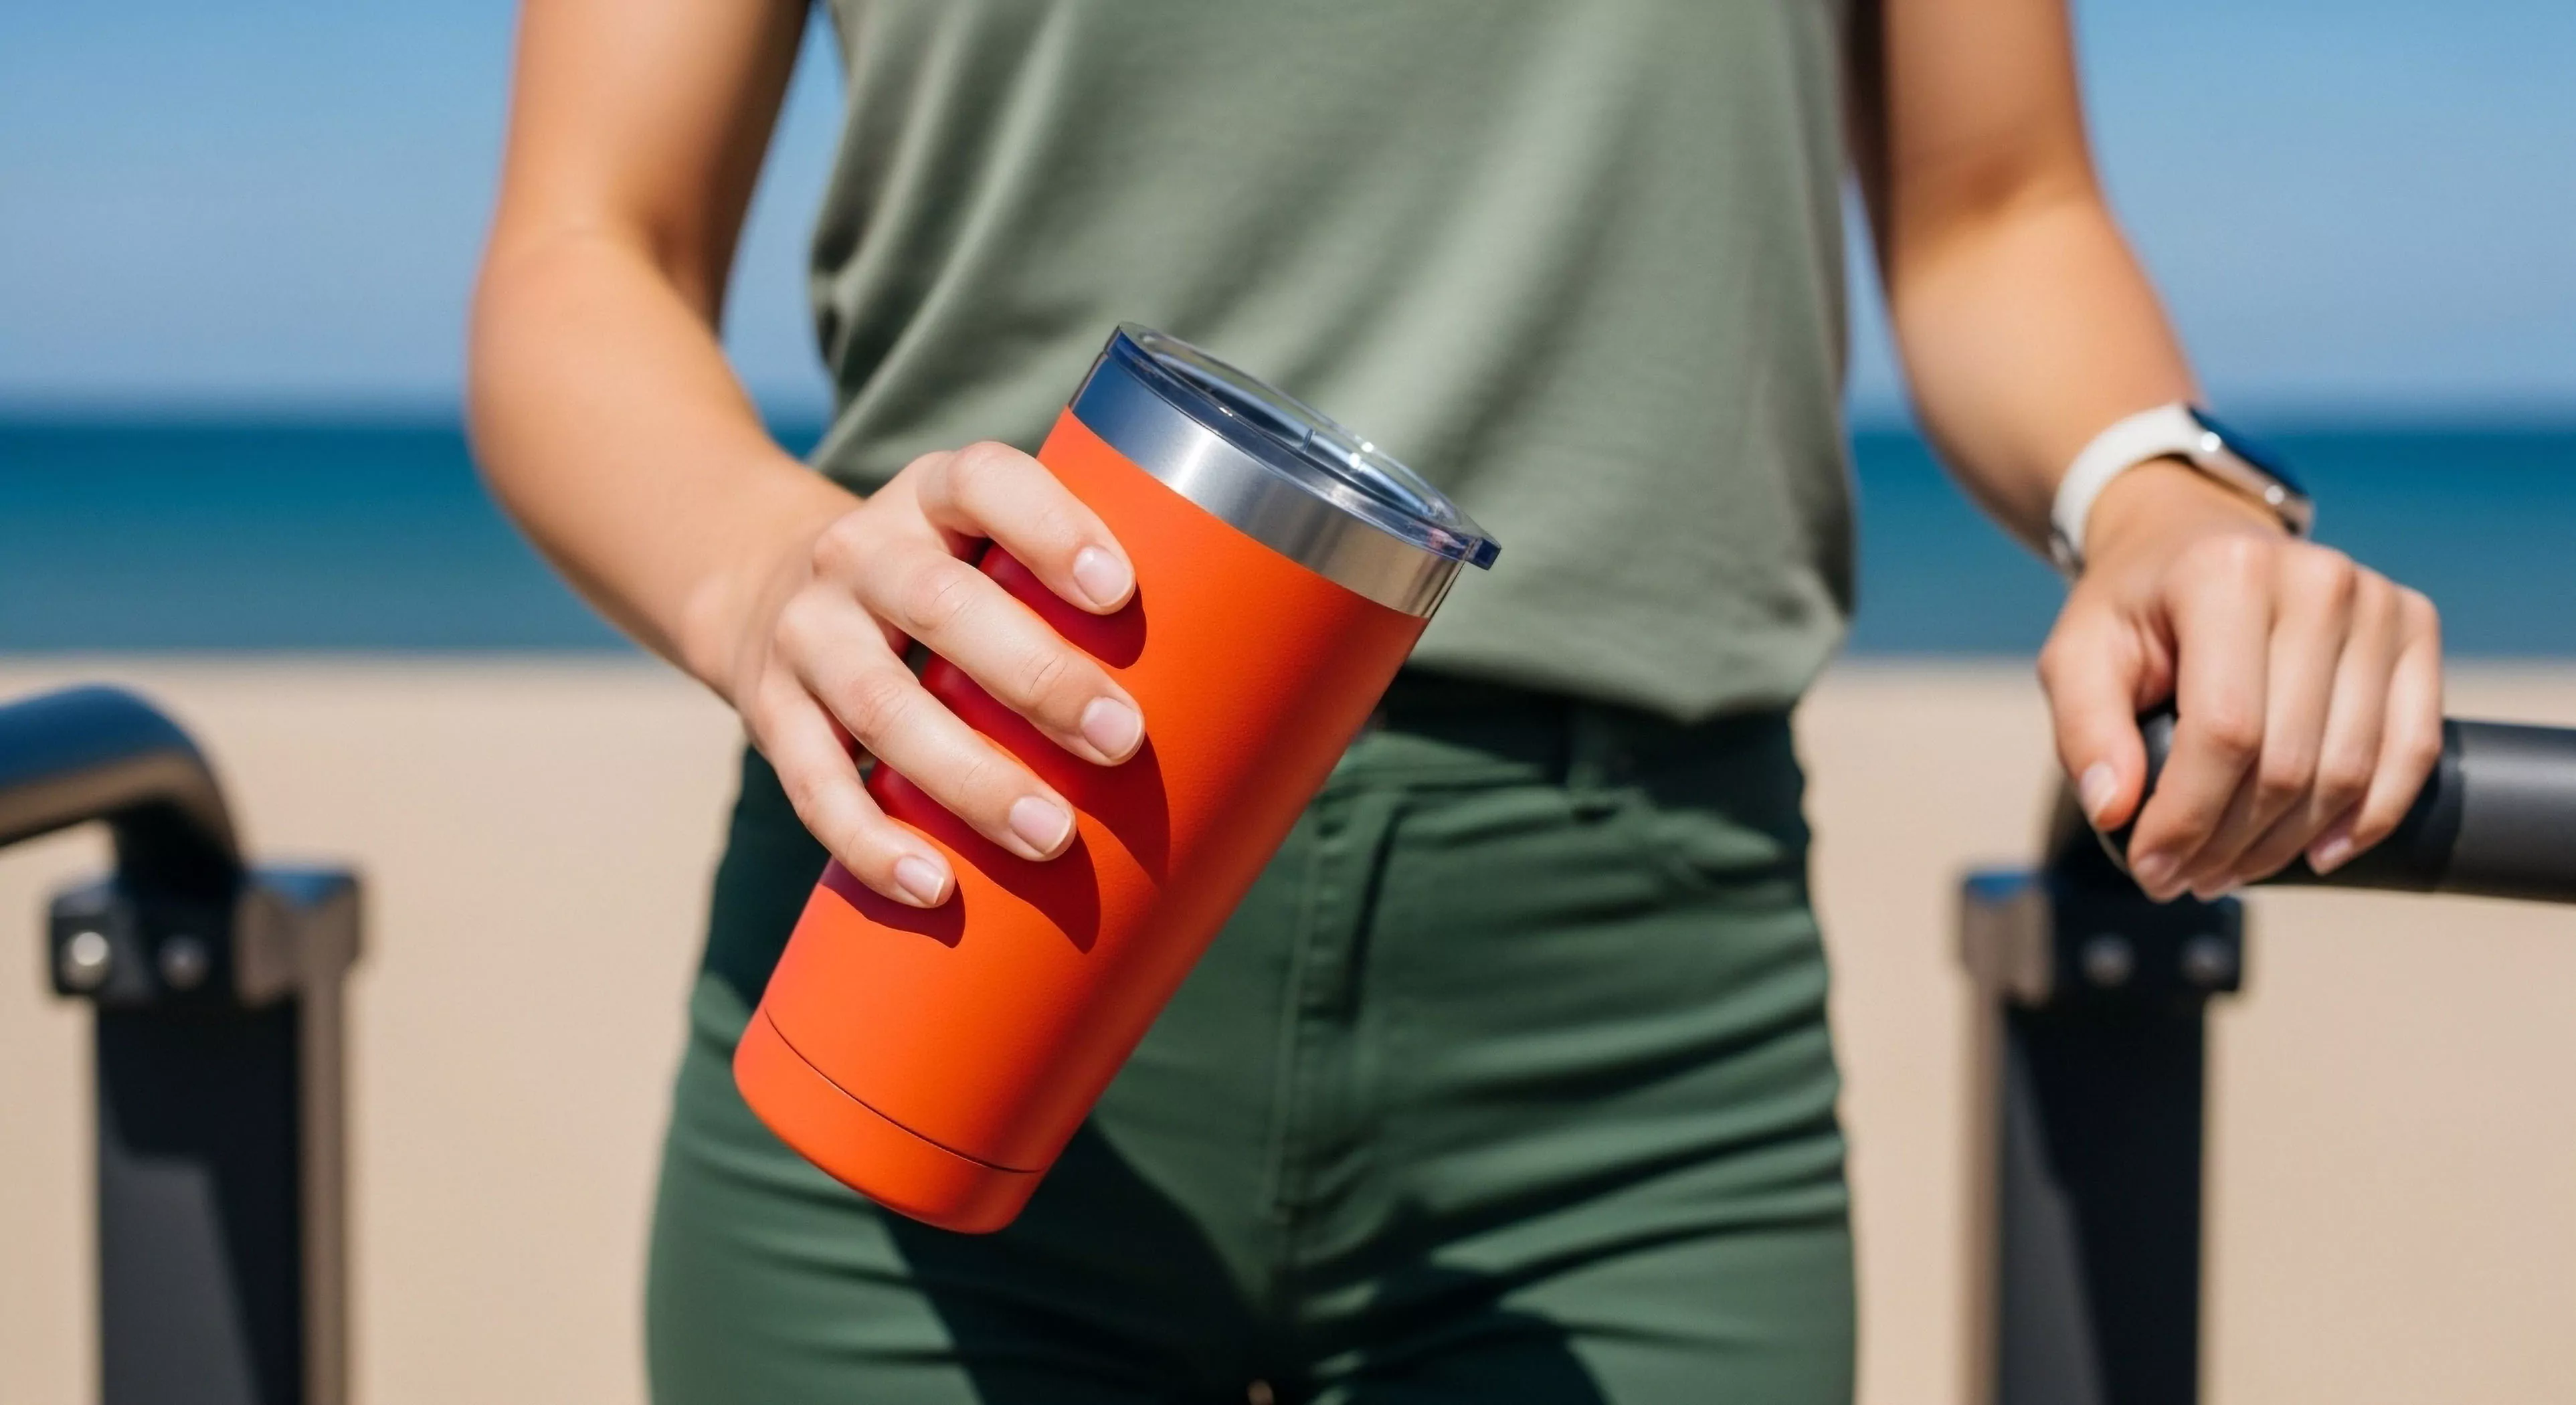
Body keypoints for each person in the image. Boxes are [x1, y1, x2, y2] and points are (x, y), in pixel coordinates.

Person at [468, 2, 2444, 1401]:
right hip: (942, 892)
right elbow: (584, 249)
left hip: (1631, 1062)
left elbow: (1996, 205)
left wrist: (2161, 503)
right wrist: (757, 574)